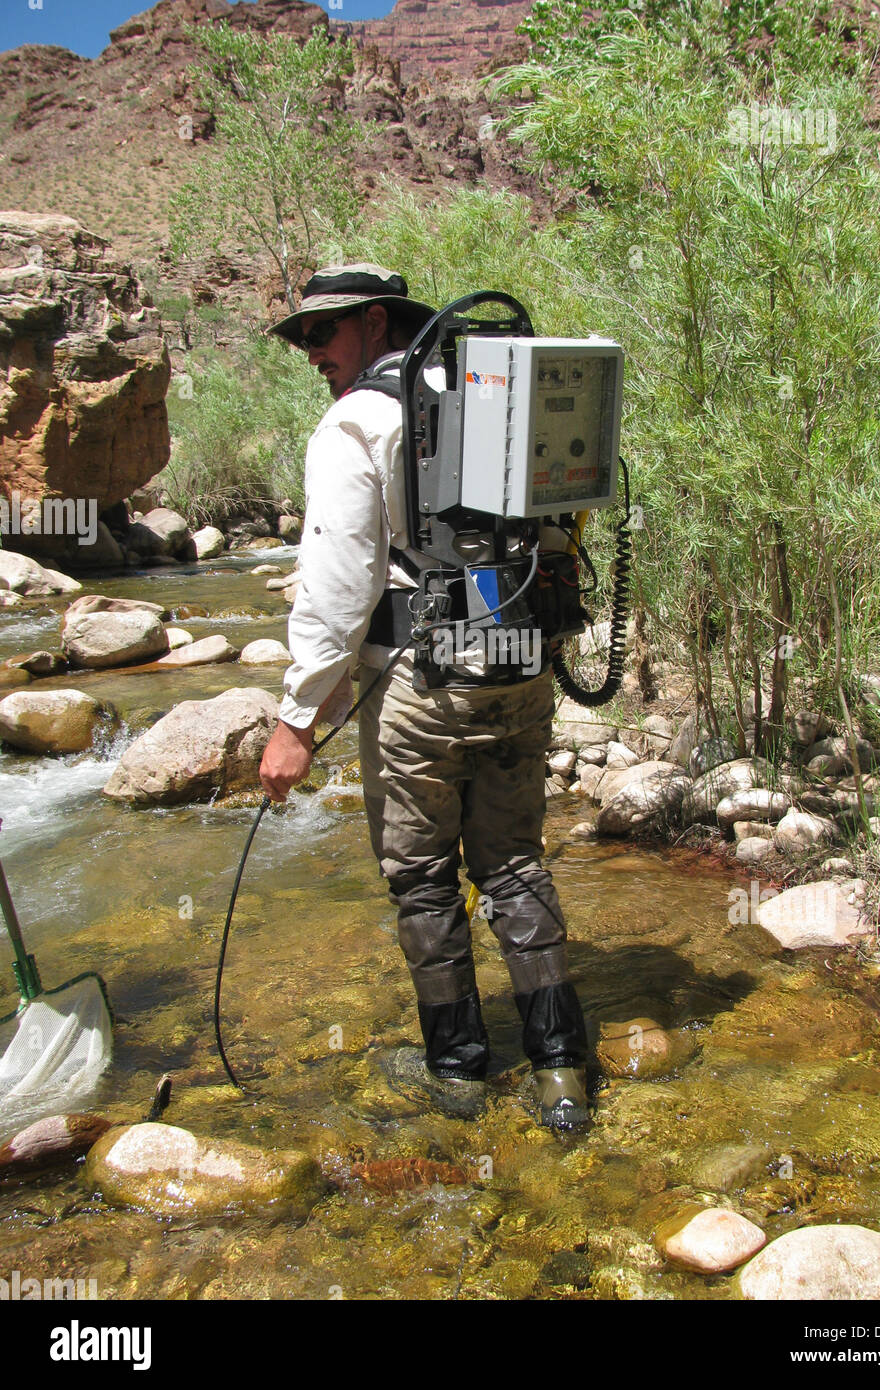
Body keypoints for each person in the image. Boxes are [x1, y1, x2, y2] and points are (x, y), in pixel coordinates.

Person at [259, 263, 590, 1130]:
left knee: (421, 878)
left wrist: (298, 717)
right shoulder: (500, 395)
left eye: (319, 333)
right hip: (519, 670)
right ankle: (560, 1070)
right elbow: (555, 529)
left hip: (422, 684)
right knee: (514, 862)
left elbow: (337, 579)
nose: (309, 352)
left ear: (374, 323)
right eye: (302, 337)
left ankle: (458, 1072)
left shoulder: (358, 420)